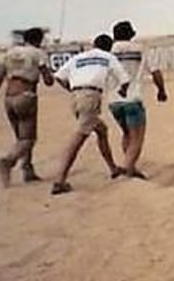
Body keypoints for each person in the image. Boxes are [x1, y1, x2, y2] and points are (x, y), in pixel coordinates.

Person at [50, 34, 130, 195]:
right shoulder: (108, 57)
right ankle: (59, 180)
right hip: (91, 96)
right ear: (109, 47)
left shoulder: (79, 57)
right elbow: (125, 80)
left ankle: (112, 168)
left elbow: (58, 76)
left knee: (101, 130)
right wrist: (123, 90)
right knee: (78, 138)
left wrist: (71, 89)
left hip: (76, 97)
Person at [0, 27, 56, 186]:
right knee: (28, 139)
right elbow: (48, 80)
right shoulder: (38, 53)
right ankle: (8, 161)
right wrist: (49, 75)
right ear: (39, 40)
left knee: (20, 138)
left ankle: (28, 169)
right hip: (26, 95)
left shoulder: (11, 52)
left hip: (9, 97)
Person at [108, 20, 168, 180]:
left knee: (126, 133)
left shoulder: (109, 52)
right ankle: (127, 170)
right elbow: (155, 71)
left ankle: (130, 166)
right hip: (133, 98)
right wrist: (161, 90)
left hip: (113, 100)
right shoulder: (140, 49)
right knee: (137, 138)